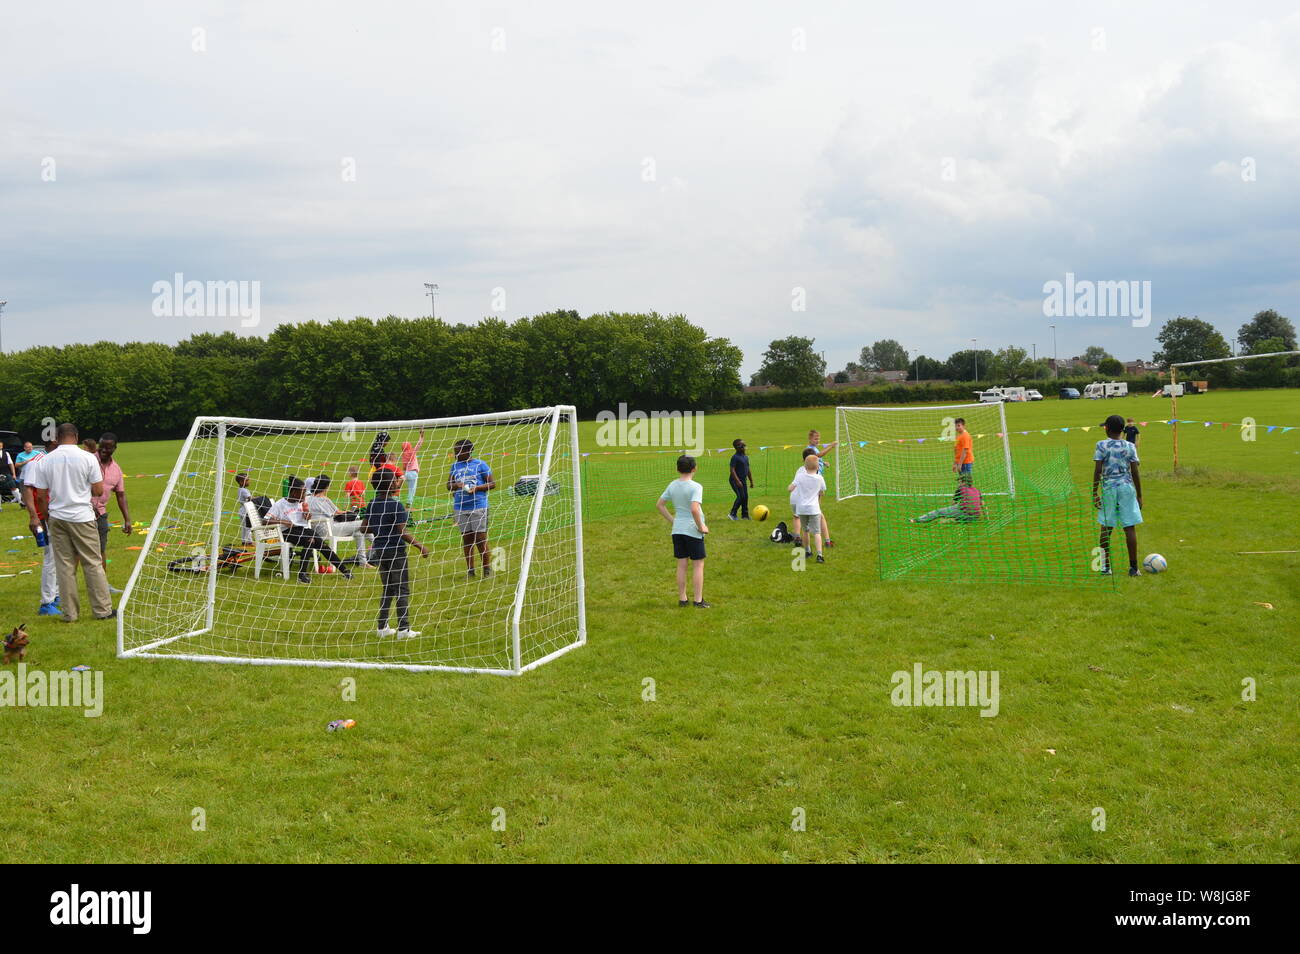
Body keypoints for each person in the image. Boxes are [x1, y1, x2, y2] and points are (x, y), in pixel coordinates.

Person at [25, 424, 114, 622]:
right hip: (82, 516)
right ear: (76, 436)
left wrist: (47, 516)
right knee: (92, 563)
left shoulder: (46, 460)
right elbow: (99, 490)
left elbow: (40, 496)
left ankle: (70, 613)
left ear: (57, 437)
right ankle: (102, 610)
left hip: (57, 517)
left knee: (64, 567)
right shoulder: (88, 457)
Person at [360, 467, 428, 638]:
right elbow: (402, 532)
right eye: (395, 480)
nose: (398, 482)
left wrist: (379, 525)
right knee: (402, 589)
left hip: (379, 551)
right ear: (391, 484)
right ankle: (404, 629)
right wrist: (420, 546)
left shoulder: (372, 503)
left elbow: (364, 528)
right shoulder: (396, 504)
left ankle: (382, 628)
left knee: (388, 589)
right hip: (396, 551)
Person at [265, 478, 353, 584]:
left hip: (302, 530)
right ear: (293, 492)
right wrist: (284, 522)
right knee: (310, 540)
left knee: (322, 545)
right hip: (287, 532)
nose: (304, 495)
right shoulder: (280, 504)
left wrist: (307, 515)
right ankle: (302, 575)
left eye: (304, 492)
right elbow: (265, 521)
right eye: (302, 493)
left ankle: (345, 571)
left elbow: (305, 519)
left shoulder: (301, 503)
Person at [1093, 413, 1144, 577]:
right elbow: (1135, 471)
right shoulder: (1130, 446)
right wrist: (1139, 495)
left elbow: (1098, 470)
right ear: (1123, 430)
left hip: (1108, 488)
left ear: (1106, 429)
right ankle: (1134, 568)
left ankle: (1105, 567)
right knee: (1129, 527)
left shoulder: (1101, 445)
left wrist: (1095, 492)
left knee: (1106, 527)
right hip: (1127, 488)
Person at [656, 454, 710, 607]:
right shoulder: (696, 486)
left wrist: (674, 521)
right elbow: (694, 509)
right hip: (692, 531)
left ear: (677, 469)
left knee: (681, 564)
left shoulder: (672, 485)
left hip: (677, 530)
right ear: (694, 469)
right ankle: (698, 601)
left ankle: (683, 599)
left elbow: (659, 505)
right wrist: (701, 527)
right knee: (698, 565)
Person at [20, 440, 61, 616]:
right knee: (51, 558)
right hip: (44, 516)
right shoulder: (37, 462)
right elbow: (27, 489)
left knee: (60, 557)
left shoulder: (58, 459)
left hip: (58, 514)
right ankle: (47, 602)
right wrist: (33, 516)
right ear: (53, 441)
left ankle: (56, 594)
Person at [448, 438, 495, 579]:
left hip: (479, 506)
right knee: (467, 540)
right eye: (455, 451)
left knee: (481, 539)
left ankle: (487, 570)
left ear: (468, 451)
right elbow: (449, 485)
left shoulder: (480, 464)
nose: (456, 454)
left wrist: (477, 488)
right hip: (460, 507)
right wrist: (457, 485)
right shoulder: (455, 466)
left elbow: (492, 484)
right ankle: (470, 571)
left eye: (458, 451)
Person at [92, 433, 131, 591]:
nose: (103, 449)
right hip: (80, 513)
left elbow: (121, 495)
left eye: (108, 447)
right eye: (101, 445)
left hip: (100, 514)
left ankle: (102, 586)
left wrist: (127, 520)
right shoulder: (87, 460)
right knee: (76, 552)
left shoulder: (116, 469)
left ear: (115, 448)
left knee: (100, 550)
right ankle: (64, 588)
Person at [307, 474, 371, 567]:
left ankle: (363, 562)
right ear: (326, 487)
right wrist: (348, 514)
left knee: (359, 532)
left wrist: (348, 512)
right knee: (364, 523)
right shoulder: (317, 500)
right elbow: (335, 514)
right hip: (327, 530)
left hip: (331, 526)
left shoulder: (320, 498)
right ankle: (381, 546)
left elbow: (337, 511)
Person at [789, 453, 828, 563]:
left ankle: (807, 551)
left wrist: (794, 487)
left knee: (805, 530)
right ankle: (820, 555)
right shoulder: (819, 478)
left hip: (801, 509)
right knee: (817, 532)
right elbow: (822, 491)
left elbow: (790, 488)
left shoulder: (800, 476)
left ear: (805, 467)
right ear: (817, 467)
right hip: (814, 509)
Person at [802, 429, 837, 548]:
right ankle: (825, 539)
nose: (818, 440)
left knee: (817, 508)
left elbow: (819, 458)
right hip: (815, 481)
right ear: (810, 439)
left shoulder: (814, 450)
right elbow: (818, 455)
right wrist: (831, 446)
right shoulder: (810, 450)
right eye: (815, 439)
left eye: (819, 439)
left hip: (816, 480)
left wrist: (824, 463)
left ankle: (823, 538)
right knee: (818, 510)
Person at [910, 473, 983, 523]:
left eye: (959, 481)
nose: (958, 483)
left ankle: (917, 520)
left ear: (963, 482)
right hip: (975, 517)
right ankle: (950, 520)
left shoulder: (961, 488)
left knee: (938, 512)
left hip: (965, 513)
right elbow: (982, 504)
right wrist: (986, 517)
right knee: (957, 513)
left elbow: (953, 503)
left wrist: (947, 513)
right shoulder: (977, 490)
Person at [727, 438, 753, 520]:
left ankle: (745, 515)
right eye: (742, 446)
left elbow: (748, 469)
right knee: (740, 497)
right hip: (735, 480)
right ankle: (732, 514)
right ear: (737, 447)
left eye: (744, 445)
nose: (744, 447)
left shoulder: (745, 457)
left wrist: (751, 481)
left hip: (743, 480)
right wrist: (737, 481)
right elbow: (732, 470)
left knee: (745, 497)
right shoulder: (735, 457)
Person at [401, 429, 425, 506]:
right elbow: (419, 444)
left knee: (408, 489)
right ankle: (409, 503)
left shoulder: (403, 455)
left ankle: (400, 500)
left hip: (407, 474)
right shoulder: (412, 452)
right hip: (413, 473)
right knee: (412, 489)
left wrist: (404, 474)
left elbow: (404, 466)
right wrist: (421, 436)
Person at [234, 473, 255, 544]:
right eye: (247, 480)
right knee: (248, 527)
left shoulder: (240, 489)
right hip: (245, 511)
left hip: (242, 510)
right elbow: (251, 499)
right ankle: (249, 542)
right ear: (241, 482)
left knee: (244, 527)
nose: (249, 481)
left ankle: (244, 541)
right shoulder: (244, 490)